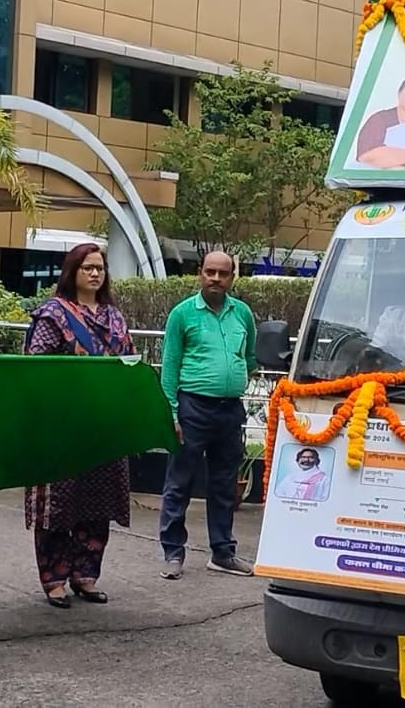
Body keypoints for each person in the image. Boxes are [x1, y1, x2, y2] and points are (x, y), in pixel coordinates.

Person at [22, 243, 135, 609]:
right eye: (87, 267)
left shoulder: (114, 317)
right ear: (72, 272)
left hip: (102, 426)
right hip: (61, 425)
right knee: (58, 505)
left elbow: (128, 362)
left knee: (96, 503)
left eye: (100, 268)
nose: (94, 274)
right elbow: (35, 366)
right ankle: (54, 579)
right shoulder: (52, 314)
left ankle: (85, 576)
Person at [158, 251, 258, 579]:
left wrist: (233, 378)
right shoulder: (182, 314)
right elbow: (170, 367)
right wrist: (171, 412)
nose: (216, 278)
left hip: (229, 410)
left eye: (223, 273)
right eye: (210, 272)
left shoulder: (242, 313)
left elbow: (251, 356)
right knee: (180, 481)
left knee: (224, 483)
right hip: (192, 408)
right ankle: (173, 552)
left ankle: (223, 553)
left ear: (232, 278)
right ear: (199, 273)